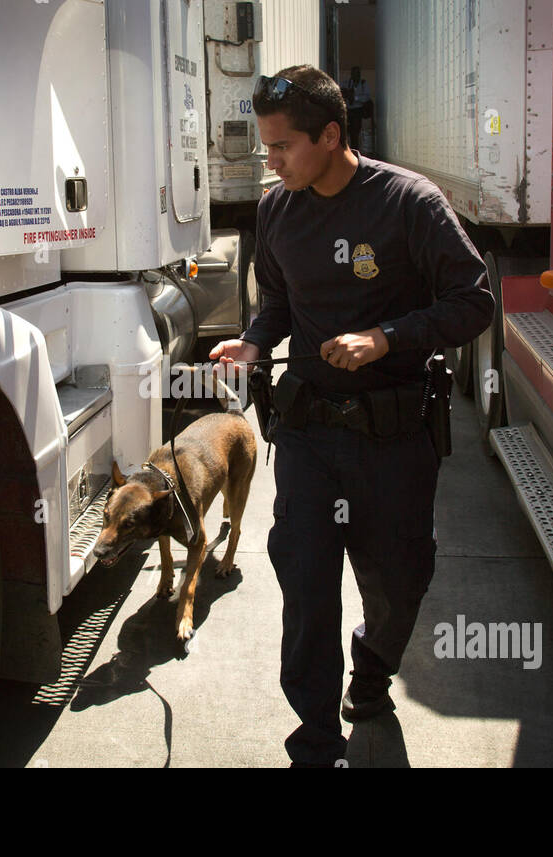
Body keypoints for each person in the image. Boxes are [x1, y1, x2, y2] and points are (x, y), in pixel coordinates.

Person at [210, 65, 494, 767]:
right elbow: (277, 301)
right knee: (306, 591)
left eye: (281, 148)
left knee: (400, 584)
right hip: (307, 433)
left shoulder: (408, 205)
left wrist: (387, 338)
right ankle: (315, 742)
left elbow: (474, 302)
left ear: (331, 136)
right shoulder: (279, 210)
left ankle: (371, 669)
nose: (269, 164)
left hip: (394, 439)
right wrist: (253, 341)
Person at [344, 66, 372, 147]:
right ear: (351, 74)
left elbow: (367, 97)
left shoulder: (363, 83)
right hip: (348, 111)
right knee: (347, 132)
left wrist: (355, 97)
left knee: (355, 133)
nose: (355, 75)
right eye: (354, 73)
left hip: (358, 111)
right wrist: (347, 94)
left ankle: (355, 149)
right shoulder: (346, 83)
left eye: (357, 73)